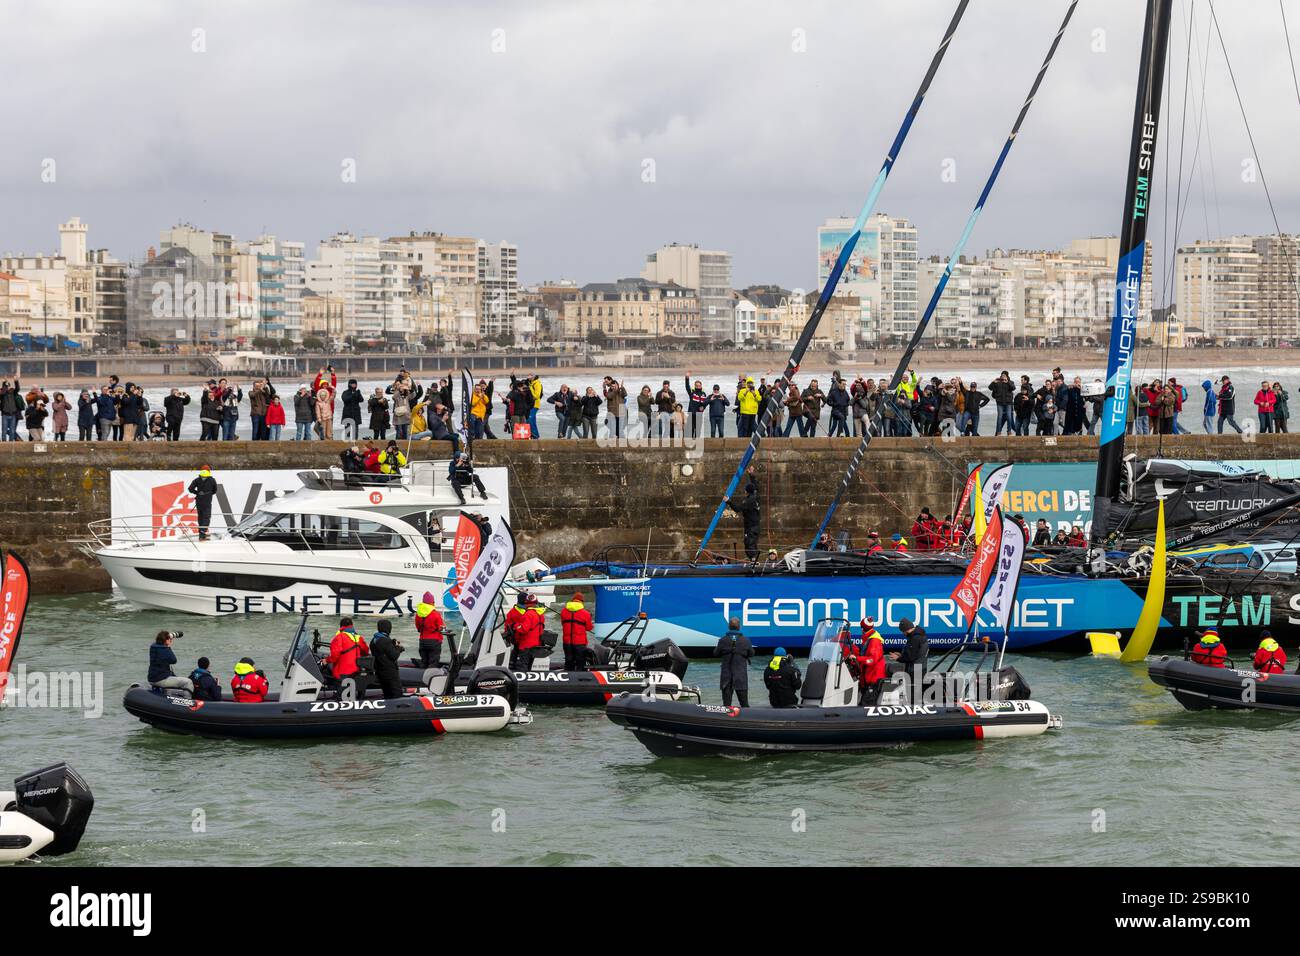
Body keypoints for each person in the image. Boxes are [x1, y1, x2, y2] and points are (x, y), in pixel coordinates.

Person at [842, 617, 886, 704]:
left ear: (862, 628)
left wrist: (856, 658)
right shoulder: (868, 639)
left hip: (873, 678)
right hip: (867, 677)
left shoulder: (874, 641)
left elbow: (872, 660)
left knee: (866, 704)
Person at [326, 617, 370, 698]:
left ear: (341, 626)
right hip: (356, 672)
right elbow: (366, 652)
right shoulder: (358, 637)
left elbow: (334, 656)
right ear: (352, 626)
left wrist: (326, 660)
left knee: (343, 698)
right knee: (351, 697)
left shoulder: (339, 637)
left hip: (343, 673)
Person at [714, 617, 753, 707]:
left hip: (726, 677)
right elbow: (751, 653)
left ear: (729, 627)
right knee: (744, 704)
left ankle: (726, 720)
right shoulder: (745, 640)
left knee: (727, 705)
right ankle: (746, 720)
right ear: (739, 627)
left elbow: (716, 653)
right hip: (741, 677)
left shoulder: (723, 640)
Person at [504, 593, 544, 671]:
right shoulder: (540, 614)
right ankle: (528, 677)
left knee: (522, 664)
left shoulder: (527, 614)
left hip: (525, 643)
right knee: (528, 663)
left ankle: (519, 677)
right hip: (535, 642)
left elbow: (523, 628)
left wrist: (515, 626)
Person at [724, 481, 761, 560]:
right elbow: (756, 486)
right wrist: (752, 475)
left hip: (750, 527)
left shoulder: (749, 501)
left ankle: (753, 561)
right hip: (756, 526)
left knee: (749, 543)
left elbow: (737, 509)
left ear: (746, 491)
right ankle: (754, 560)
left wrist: (728, 501)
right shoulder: (755, 496)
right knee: (753, 544)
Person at [369, 619, 405, 700]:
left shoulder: (374, 639)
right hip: (390, 671)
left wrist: (392, 644)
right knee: (396, 692)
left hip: (380, 670)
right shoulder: (385, 641)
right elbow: (394, 656)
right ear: (388, 628)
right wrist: (399, 649)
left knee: (387, 692)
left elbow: (381, 650)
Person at [560, 591, 594, 670]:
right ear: (581, 601)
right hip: (579, 643)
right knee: (580, 662)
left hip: (567, 642)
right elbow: (589, 628)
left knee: (568, 661)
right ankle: (580, 679)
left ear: (573, 600)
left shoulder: (563, 611)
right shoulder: (585, 613)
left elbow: (563, 624)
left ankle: (568, 677)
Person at [414, 592, 445, 667]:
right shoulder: (435, 614)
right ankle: (431, 677)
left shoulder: (418, 614)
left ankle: (421, 676)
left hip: (422, 641)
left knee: (424, 661)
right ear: (432, 603)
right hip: (434, 642)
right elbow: (441, 628)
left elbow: (418, 627)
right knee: (433, 663)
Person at [188, 466, 217, 541]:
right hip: (207, 502)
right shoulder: (212, 480)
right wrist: (208, 494)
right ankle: (202, 533)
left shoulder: (197, 480)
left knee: (200, 517)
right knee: (206, 517)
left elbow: (190, 489)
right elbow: (215, 490)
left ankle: (201, 535)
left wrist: (197, 493)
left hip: (199, 501)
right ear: (208, 471)